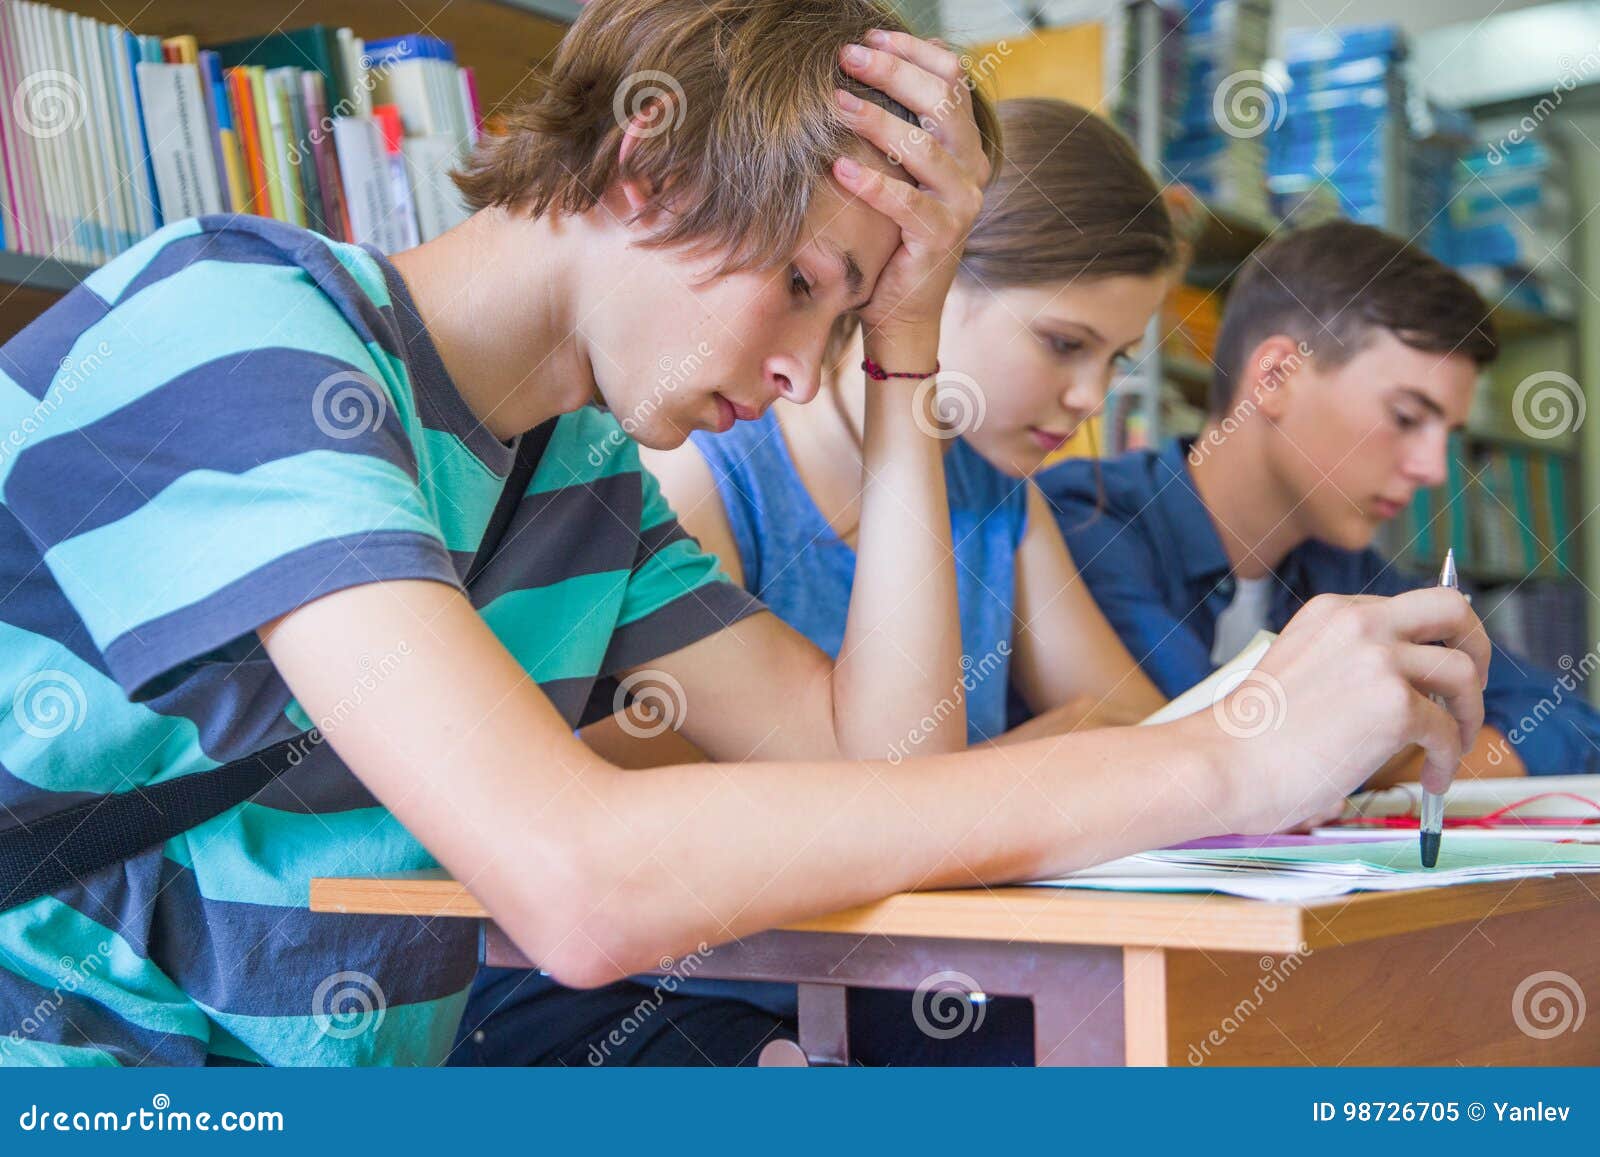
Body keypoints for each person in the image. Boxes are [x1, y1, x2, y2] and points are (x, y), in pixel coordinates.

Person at [0, 1, 1488, 1068]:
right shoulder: (239, 324)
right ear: (647, 165)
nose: (800, 372)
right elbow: (579, 881)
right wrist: (1220, 756)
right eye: (802, 285)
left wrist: (908, 347)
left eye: (844, 319)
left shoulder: (578, 471)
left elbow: (890, 770)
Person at [463, 99, 1178, 1066]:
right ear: (927, 278)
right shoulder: (699, 456)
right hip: (678, 991)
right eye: (1063, 343)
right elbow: (667, 792)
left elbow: (1124, 720)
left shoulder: (991, 496)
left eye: (1115, 361)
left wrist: (945, 791)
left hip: (880, 970)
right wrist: (1004, 780)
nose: (1092, 400)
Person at [1038, 220, 1597, 783]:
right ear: (1276, 376)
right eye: (1405, 417)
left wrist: (1398, 761)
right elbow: (1208, 743)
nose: (1431, 469)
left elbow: (1570, 724)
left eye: (1446, 433)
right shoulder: (1082, 521)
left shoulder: (1347, 570)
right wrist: (1405, 748)